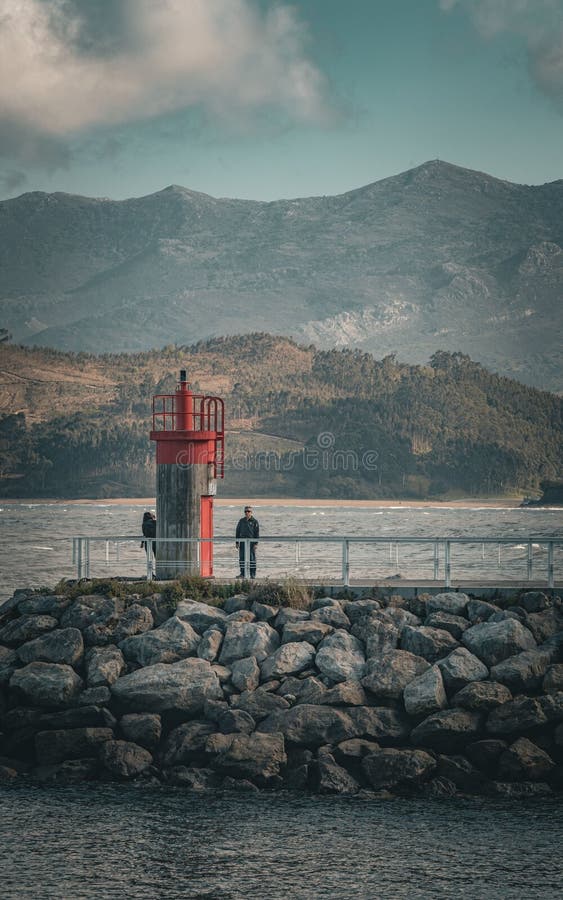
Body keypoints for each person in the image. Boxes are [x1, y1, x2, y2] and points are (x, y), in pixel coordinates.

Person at [235, 505, 259, 578]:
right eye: (245, 511)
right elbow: (237, 531)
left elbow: (257, 533)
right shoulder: (241, 521)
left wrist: (256, 543)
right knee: (242, 558)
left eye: (248, 511)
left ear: (251, 512)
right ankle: (242, 573)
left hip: (251, 542)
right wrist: (237, 542)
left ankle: (252, 574)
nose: (247, 513)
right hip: (242, 541)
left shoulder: (255, 521)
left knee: (252, 558)